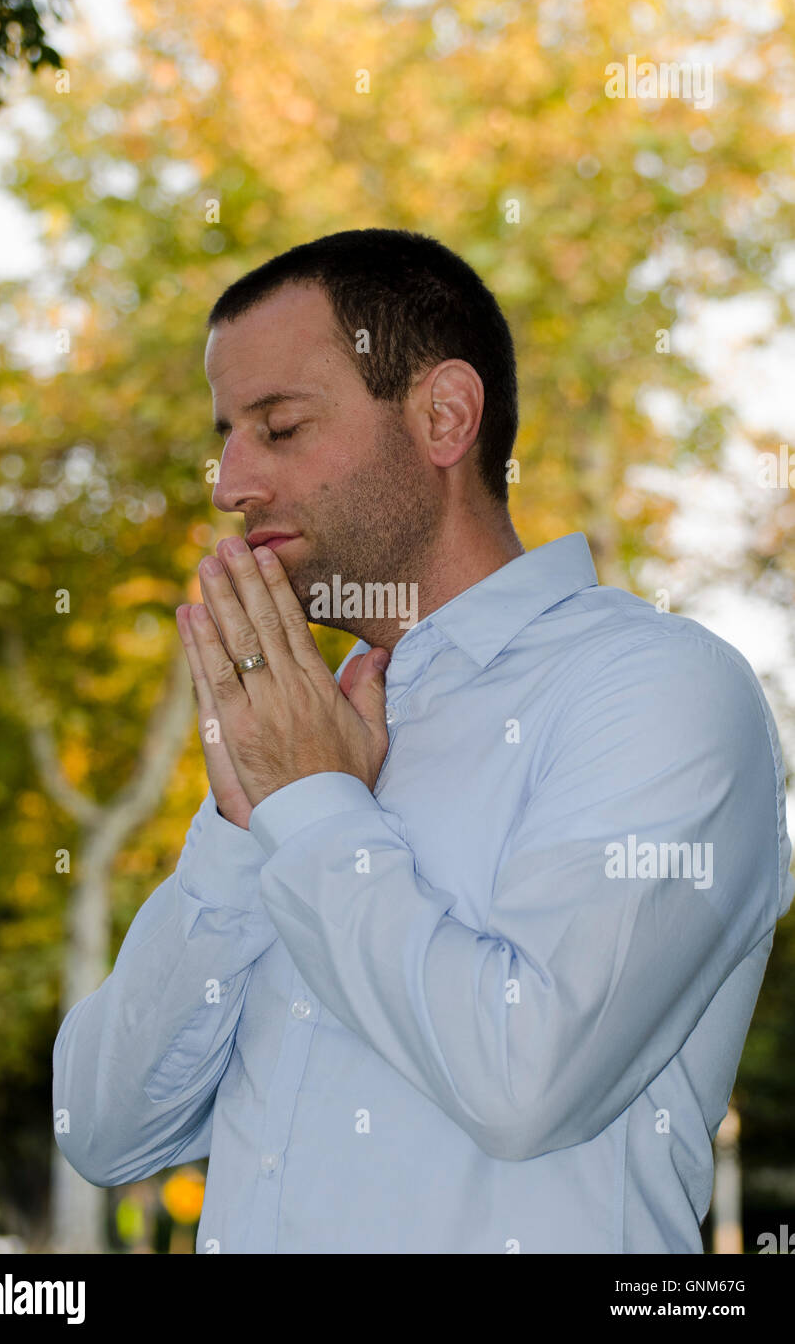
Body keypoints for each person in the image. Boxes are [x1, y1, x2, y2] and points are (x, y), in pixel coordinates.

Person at [53, 228, 792, 1253]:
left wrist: (313, 814)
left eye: (278, 426)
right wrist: (241, 823)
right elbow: (99, 1127)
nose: (228, 482)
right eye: (226, 434)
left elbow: (526, 1081)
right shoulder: (306, 742)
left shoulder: (656, 688)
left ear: (443, 416)